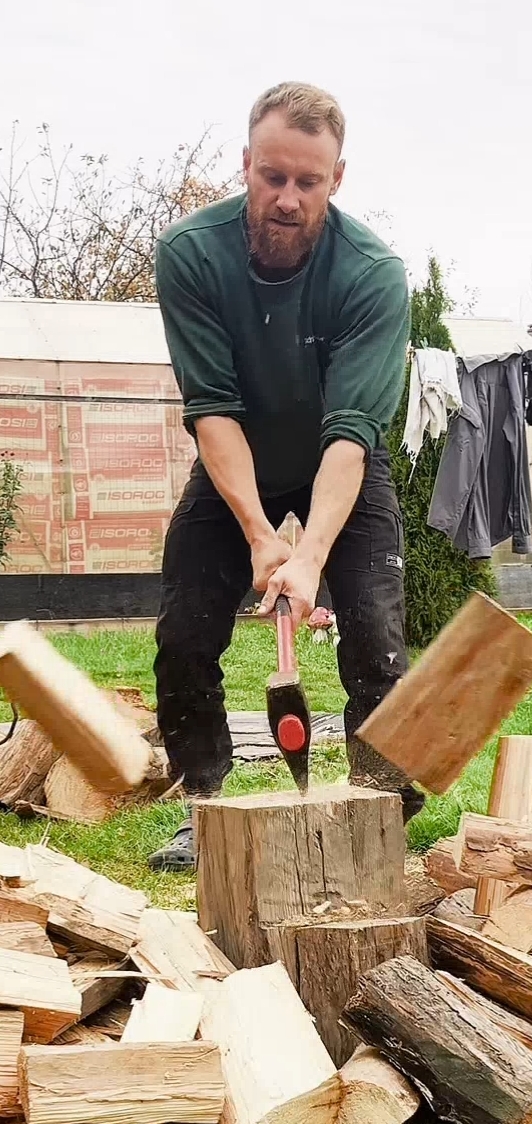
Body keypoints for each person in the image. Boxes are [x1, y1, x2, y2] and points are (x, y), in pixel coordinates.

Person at [149, 81, 425, 871]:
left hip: (339, 461)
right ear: (246, 164)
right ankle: (204, 803)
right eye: (272, 176)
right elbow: (213, 410)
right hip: (238, 455)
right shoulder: (191, 255)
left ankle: (381, 804)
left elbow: (351, 438)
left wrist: (309, 558)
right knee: (184, 632)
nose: (288, 198)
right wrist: (260, 536)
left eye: (309, 181)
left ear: (337, 179)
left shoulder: (372, 273)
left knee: (375, 636)